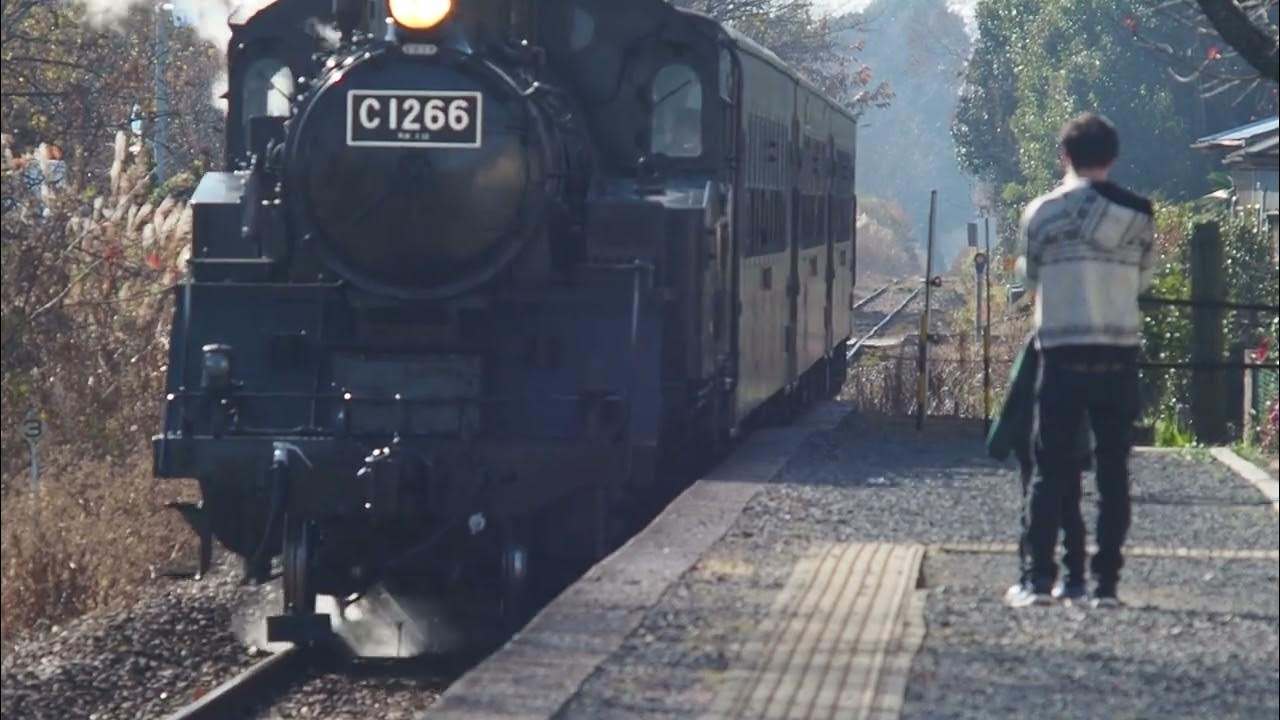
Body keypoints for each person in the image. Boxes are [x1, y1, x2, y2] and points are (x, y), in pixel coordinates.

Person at [1004, 112, 1156, 609]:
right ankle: (1104, 585)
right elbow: (1144, 281)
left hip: (1061, 353)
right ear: (1113, 157)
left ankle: (1038, 580)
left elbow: (1029, 280)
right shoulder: (1138, 214)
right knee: (1114, 471)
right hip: (1117, 352)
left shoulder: (1041, 212)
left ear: (1064, 156)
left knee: (1051, 466)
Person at [987, 333, 1093, 603]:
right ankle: (1075, 579)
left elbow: (1018, 391)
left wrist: (999, 440)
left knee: (1034, 504)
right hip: (1074, 438)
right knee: (1071, 509)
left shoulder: (1040, 339)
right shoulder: (1086, 341)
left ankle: (1033, 576)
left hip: (1031, 437)